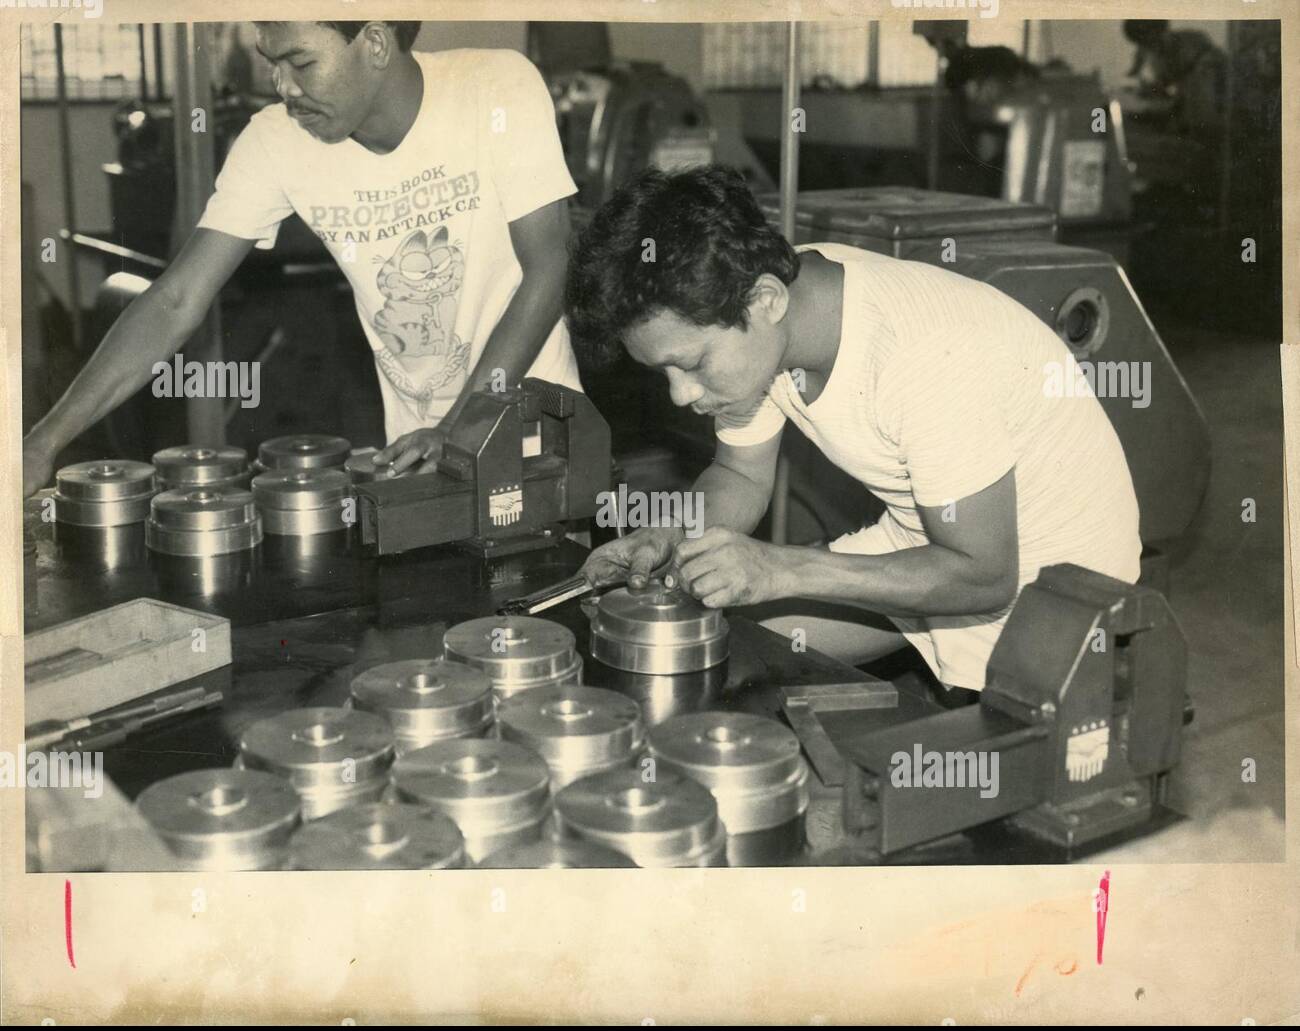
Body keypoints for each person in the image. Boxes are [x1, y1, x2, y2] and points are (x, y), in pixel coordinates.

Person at [565, 166, 1141, 695]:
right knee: (706, 644)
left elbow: (986, 575)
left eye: (691, 365)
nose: (680, 393)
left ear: (765, 299)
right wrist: (668, 536)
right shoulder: (774, 316)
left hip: (1049, 589)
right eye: (663, 370)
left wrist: (779, 568)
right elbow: (739, 474)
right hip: (930, 541)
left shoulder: (923, 354)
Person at [23, 19, 581, 495]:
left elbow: (550, 267)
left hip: (536, 438)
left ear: (376, 42)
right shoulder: (276, 141)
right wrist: (41, 443)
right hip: (416, 455)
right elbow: (173, 300)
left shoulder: (495, 86)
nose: (282, 87)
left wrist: (458, 428)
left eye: (300, 62)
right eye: (272, 63)